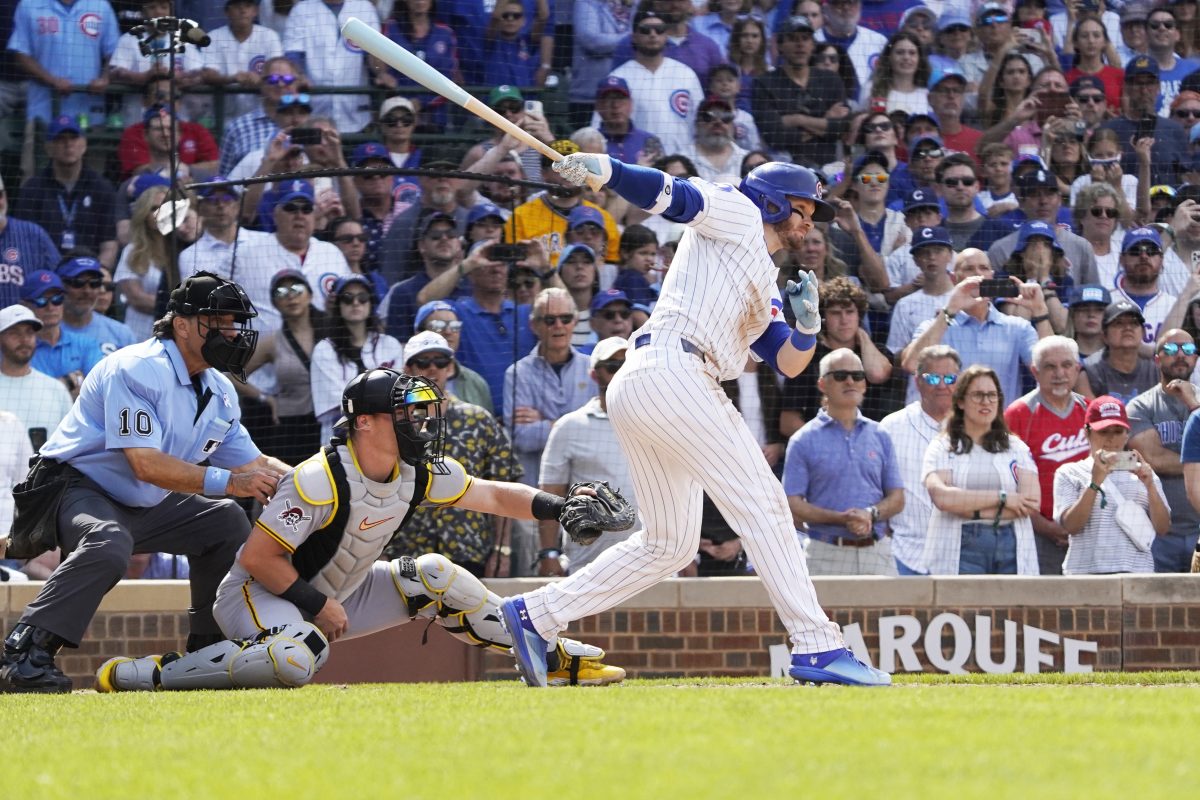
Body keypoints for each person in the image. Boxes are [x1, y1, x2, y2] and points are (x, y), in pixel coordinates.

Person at [498, 147, 892, 686]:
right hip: (674, 371)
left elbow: (788, 360)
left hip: (657, 380)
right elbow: (672, 193)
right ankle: (817, 646)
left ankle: (536, 614)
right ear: (775, 201)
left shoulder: (761, 269)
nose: (810, 220)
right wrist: (609, 169)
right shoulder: (739, 210)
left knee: (669, 544)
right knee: (766, 505)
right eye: (803, 207)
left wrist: (807, 323)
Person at [95, 368, 625, 691]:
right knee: (294, 657)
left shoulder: (415, 472)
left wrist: (559, 507)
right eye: (405, 414)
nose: (419, 424)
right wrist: (316, 605)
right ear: (366, 422)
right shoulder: (318, 479)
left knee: (436, 575)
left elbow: (488, 493)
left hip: (342, 592)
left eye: (420, 413)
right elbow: (258, 559)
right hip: (257, 596)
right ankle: (156, 675)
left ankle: (550, 658)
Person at [0, 273, 288, 693]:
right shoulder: (135, 367)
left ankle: (208, 648)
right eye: (219, 322)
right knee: (108, 542)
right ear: (182, 324)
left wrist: (317, 481)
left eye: (234, 324)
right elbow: (146, 464)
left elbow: (256, 463)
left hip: (143, 501)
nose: (231, 333)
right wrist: (232, 482)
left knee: (224, 522)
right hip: (74, 487)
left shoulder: (219, 389)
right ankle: (25, 652)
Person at [383, 332, 521, 578]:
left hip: (468, 549)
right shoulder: (393, 424)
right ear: (408, 369)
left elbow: (505, 482)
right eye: (423, 362)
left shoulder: (477, 419)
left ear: (451, 367)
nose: (432, 369)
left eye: (441, 362)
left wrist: (503, 549)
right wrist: (377, 551)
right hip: (407, 551)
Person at [783, 348, 904, 576]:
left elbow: (898, 498)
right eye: (840, 376)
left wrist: (870, 514)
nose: (850, 381)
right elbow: (791, 503)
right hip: (824, 554)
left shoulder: (881, 435)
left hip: (877, 554)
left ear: (865, 384)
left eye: (857, 376)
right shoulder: (802, 440)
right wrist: (840, 519)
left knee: (887, 613)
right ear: (822, 385)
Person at [922, 365, 1042, 575]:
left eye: (992, 395)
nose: (986, 401)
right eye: (978, 395)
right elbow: (943, 499)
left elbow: (1032, 502)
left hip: (1011, 543)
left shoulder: (1016, 447)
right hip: (961, 545)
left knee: (1012, 608)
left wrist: (967, 507)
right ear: (960, 401)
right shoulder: (942, 446)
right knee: (963, 608)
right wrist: (1003, 498)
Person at [536, 336, 637, 577]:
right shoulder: (569, 427)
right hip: (588, 563)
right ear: (594, 375)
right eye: (613, 367)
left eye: (627, 364)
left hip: (652, 560)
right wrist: (549, 553)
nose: (621, 372)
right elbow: (549, 495)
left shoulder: (657, 422)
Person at [900, 250, 1049, 406]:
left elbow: (1048, 369)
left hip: (998, 426)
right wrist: (950, 310)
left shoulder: (1017, 327)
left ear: (991, 276)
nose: (978, 274)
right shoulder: (935, 326)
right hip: (947, 426)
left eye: (983, 268)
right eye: (969, 269)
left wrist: (1040, 311)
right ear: (953, 278)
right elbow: (911, 364)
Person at [1004, 335, 1090, 575]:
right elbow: (1007, 481)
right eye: (1050, 366)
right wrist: (1044, 526)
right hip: (1037, 532)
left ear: (1077, 369)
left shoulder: (1090, 411)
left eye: (1066, 365)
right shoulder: (1018, 414)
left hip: (1089, 531)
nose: (1059, 373)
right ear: (1035, 372)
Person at [1054, 395, 1169, 574]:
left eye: (1117, 431)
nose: (1110, 439)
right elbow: (1071, 526)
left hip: (1136, 574)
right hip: (1086, 574)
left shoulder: (1143, 473)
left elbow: (1162, 528)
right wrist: (1094, 483)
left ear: (1127, 434)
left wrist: (1150, 487)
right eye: (1103, 431)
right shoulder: (1069, 472)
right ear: (1087, 432)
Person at [504, 288, 597, 496]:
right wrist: (574, 423)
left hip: (585, 493)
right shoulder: (517, 373)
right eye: (549, 320)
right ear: (534, 325)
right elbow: (522, 438)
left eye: (565, 318)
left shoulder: (592, 369)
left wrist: (547, 422)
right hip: (533, 494)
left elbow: (596, 432)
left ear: (574, 322)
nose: (559, 326)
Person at [879, 344, 960, 575]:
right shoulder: (891, 426)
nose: (943, 386)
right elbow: (877, 488)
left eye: (950, 378)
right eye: (933, 378)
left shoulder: (976, 428)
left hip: (962, 556)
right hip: (903, 554)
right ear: (918, 381)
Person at [1126, 329, 1200, 572]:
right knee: (1157, 608)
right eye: (1170, 350)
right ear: (1157, 359)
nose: (1180, 355)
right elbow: (1155, 458)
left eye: (1188, 350)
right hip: (1159, 533)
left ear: (1196, 359)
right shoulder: (1140, 406)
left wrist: (1193, 405)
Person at [238, 270, 326, 467]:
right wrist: (265, 398)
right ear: (274, 303)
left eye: (296, 289)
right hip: (291, 429)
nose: (290, 296)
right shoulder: (273, 343)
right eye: (281, 292)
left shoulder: (333, 332)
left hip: (330, 422)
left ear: (310, 295)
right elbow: (231, 374)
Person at [12, 116, 119, 269]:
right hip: (47, 276)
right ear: (48, 148)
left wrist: (95, 274)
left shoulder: (102, 188)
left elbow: (109, 244)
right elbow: (22, 242)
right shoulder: (33, 189)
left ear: (84, 144)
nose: (68, 144)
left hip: (88, 275)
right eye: (60, 139)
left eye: (74, 138)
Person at [310, 275, 404, 442]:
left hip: (387, 438)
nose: (356, 303)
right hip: (340, 441)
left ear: (370, 303)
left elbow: (399, 395)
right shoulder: (324, 350)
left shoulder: (390, 345)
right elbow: (339, 403)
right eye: (347, 298)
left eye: (363, 298)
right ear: (338, 304)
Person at [600, 9, 704, 156]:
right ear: (633, 36)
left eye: (659, 30)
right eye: (645, 30)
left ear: (666, 35)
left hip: (682, 162)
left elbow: (700, 122)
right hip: (638, 163)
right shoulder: (618, 77)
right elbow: (601, 126)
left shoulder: (686, 74)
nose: (653, 34)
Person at [754, 15, 848, 169]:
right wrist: (825, 120)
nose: (800, 44)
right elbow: (773, 136)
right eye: (792, 38)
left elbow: (841, 127)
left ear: (812, 45)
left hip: (830, 170)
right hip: (783, 170)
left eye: (805, 38)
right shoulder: (764, 83)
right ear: (780, 45)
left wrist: (796, 120)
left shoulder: (831, 80)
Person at [200, 0, 286, 121]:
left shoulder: (270, 36)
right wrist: (233, 78)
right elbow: (208, 75)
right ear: (227, 12)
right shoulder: (213, 37)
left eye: (248, 6)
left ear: (255, 11)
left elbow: (279, 74)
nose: (243, 10)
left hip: (263, 115)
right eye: (237, 6)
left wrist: (261, 79)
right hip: (223, 116)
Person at [0, 304, 73, 441]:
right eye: (14, 333)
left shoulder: (56, 389)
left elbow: (70, 443)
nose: (24, 339)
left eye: (29, 332)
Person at [1077, 300, 1160, 403]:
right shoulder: (1089, 373)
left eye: (1134, 323)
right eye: (1119, 323)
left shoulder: (1155, 371)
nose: (1128, 328)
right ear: (1104, 336)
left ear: (1143, 333)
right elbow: (1091, 415)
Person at [0, 173, 61, 309]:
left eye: (0, 196)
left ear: (5, 197)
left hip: (26, 328)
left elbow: (59, 281)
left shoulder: (33, 234)